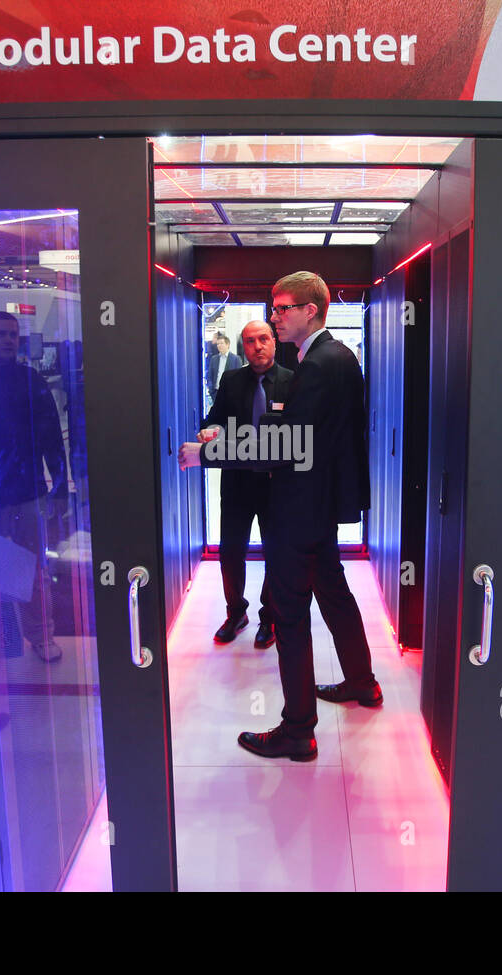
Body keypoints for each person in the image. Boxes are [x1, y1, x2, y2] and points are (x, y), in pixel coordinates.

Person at [180, 271, 379, 762]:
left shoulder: (317, 364)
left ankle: (298, 731)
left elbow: (288, 444)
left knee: (290, 615)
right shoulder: (337, 358)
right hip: (319, 506)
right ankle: (363, 684)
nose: (275, 316)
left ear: (310, 310)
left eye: (283, 308)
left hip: (298, 509)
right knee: (333, 594)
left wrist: (204, 455)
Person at [0, 311, 69, 662]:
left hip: (27, 491)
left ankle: (41, 636)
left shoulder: (31, 380)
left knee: (33, 570)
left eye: (13, 335)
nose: (9, 340)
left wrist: (58, 484)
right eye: (0, 334)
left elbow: (51, 434)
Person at [198, 320, 292, 647]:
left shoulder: (291, 382)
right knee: (230, 552)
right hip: (237, 482)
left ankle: (270, 617)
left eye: (263, 339)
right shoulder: (231, 380)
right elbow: (216, 417)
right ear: (243, 346)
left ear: (274, 342)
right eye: (250, 341)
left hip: (275, 486)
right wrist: (209, 430)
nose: (257, 346)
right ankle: (236, 612)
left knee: (275, 553)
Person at [205, 334, 240, 404]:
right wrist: (211, 390)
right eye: (217, 344)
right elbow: (210, 376)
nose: (219, 345)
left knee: (231, 414)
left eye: (221, 343)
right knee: (218, 414)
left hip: (230, 394)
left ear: (228, 344)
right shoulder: (214, 359)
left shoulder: (236, 359)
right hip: (216, 393)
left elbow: (239, 378)